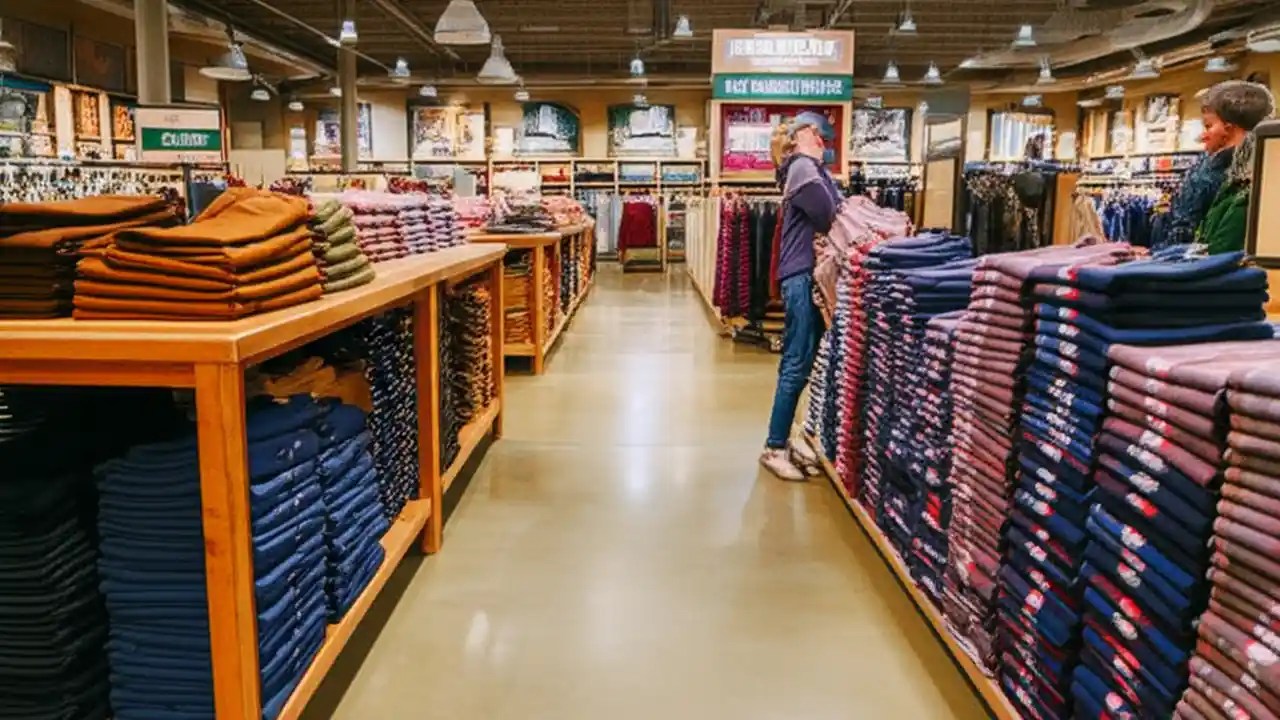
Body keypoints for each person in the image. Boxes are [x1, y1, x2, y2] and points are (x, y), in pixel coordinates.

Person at [760, 111, 842, 481]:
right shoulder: (802, 168)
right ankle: (774, 446)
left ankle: (791, 436)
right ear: (797, 139)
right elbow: (828, 214)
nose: (821, 138)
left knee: (806, 361)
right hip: (802, 276)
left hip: (804, 274)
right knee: (797, 361)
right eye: (813, 132)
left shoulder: (805, 169)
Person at [1157, 80, 1274, 248]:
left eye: (1208, 126)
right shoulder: (1265, 171)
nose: (1202, 136)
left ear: (1229, 128)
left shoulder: (1209, 175)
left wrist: (1160, 257)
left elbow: (1183, 232)